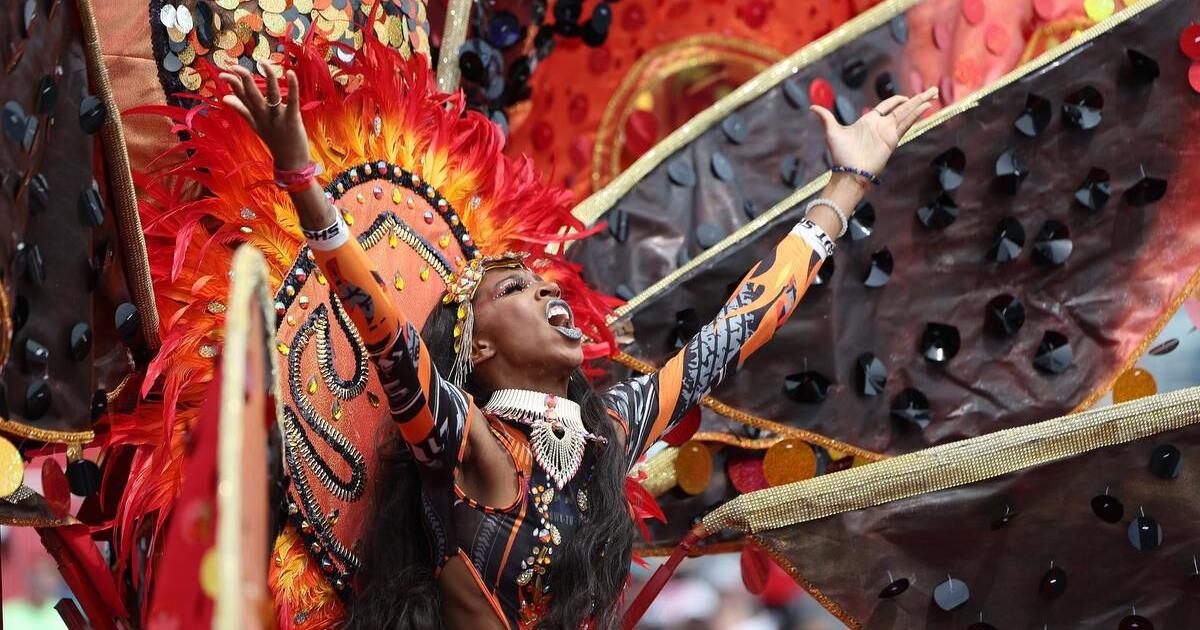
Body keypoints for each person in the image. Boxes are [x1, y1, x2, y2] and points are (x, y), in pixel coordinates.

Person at [219, 60, 936, 630]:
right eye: (514, 293)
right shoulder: (470, 447)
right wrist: (303, 181)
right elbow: (383, 331)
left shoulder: (607, 431)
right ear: (476, 355)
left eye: (543, 285)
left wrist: (848, 183)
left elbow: (738, 327)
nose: (548, 294)